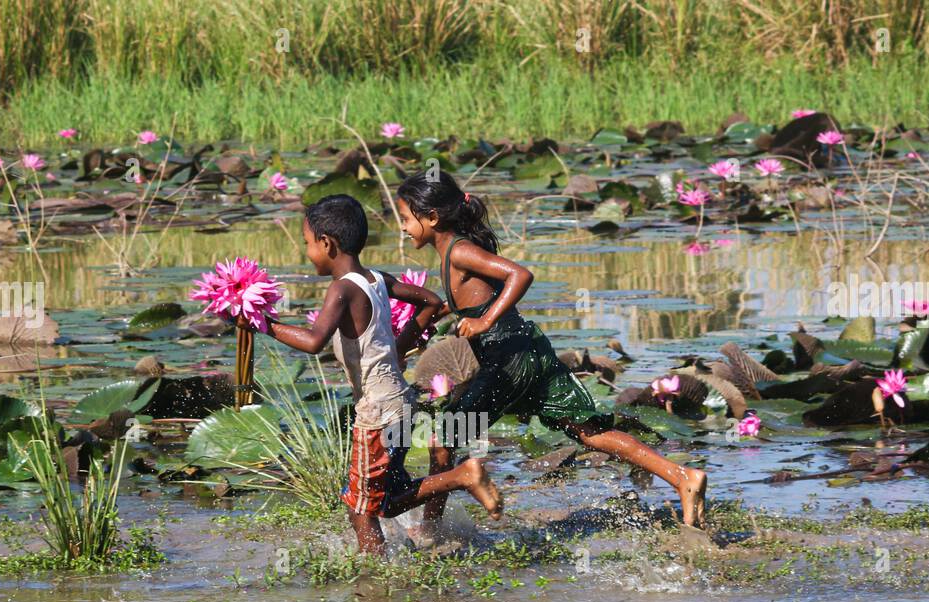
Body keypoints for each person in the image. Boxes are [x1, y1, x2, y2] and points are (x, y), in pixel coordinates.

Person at [394, 170, 708, 532]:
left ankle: (431, 530)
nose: (403, 228)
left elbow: (520, 275)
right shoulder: (453, 252)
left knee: (443, 439)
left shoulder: (461, 251)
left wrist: (484, 322)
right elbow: (475, 295)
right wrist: (444, 317)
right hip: (530, 352)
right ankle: (682, 476)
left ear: (431, 218)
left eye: (405, 219)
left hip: (508, 361)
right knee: (588, 432)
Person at [237, 194, 503, 554]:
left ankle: (458, 480)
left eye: (307, 244)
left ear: (327, 243)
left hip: (377, 414)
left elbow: (315, 341)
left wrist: (264, 325)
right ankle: (385, 566)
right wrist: (398, 347)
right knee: (381, 501)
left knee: (362, 507)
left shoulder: (342, 288)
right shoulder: (375, 279)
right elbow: (430, 302)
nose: (307, 251)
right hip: (399, 404)